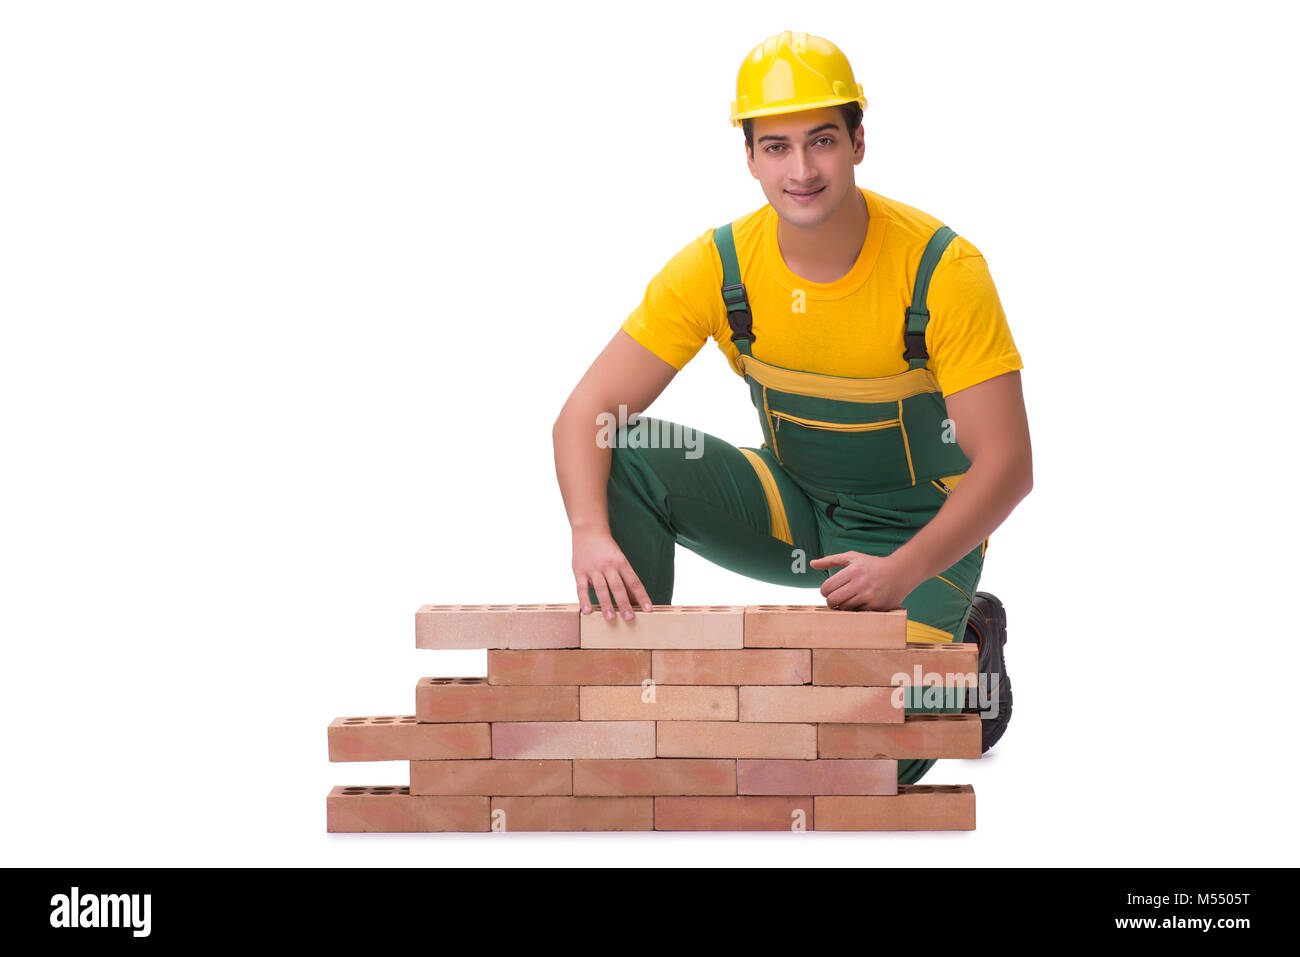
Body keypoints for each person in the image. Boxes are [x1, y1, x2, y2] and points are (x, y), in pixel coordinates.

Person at [552, 31, 1032, 783]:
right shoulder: (721, 267)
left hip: (923, 536)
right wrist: (588, 531)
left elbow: (1008, 466)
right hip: (802, 511)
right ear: (748, 156)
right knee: (628, 451)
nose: (801, 170)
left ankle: (966, 649)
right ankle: (631, 703)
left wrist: (903, 572)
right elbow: (586, 414)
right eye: (776, 146)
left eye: (822, 142)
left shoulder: (941, 269)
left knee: (872, 763)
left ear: (859, 141)